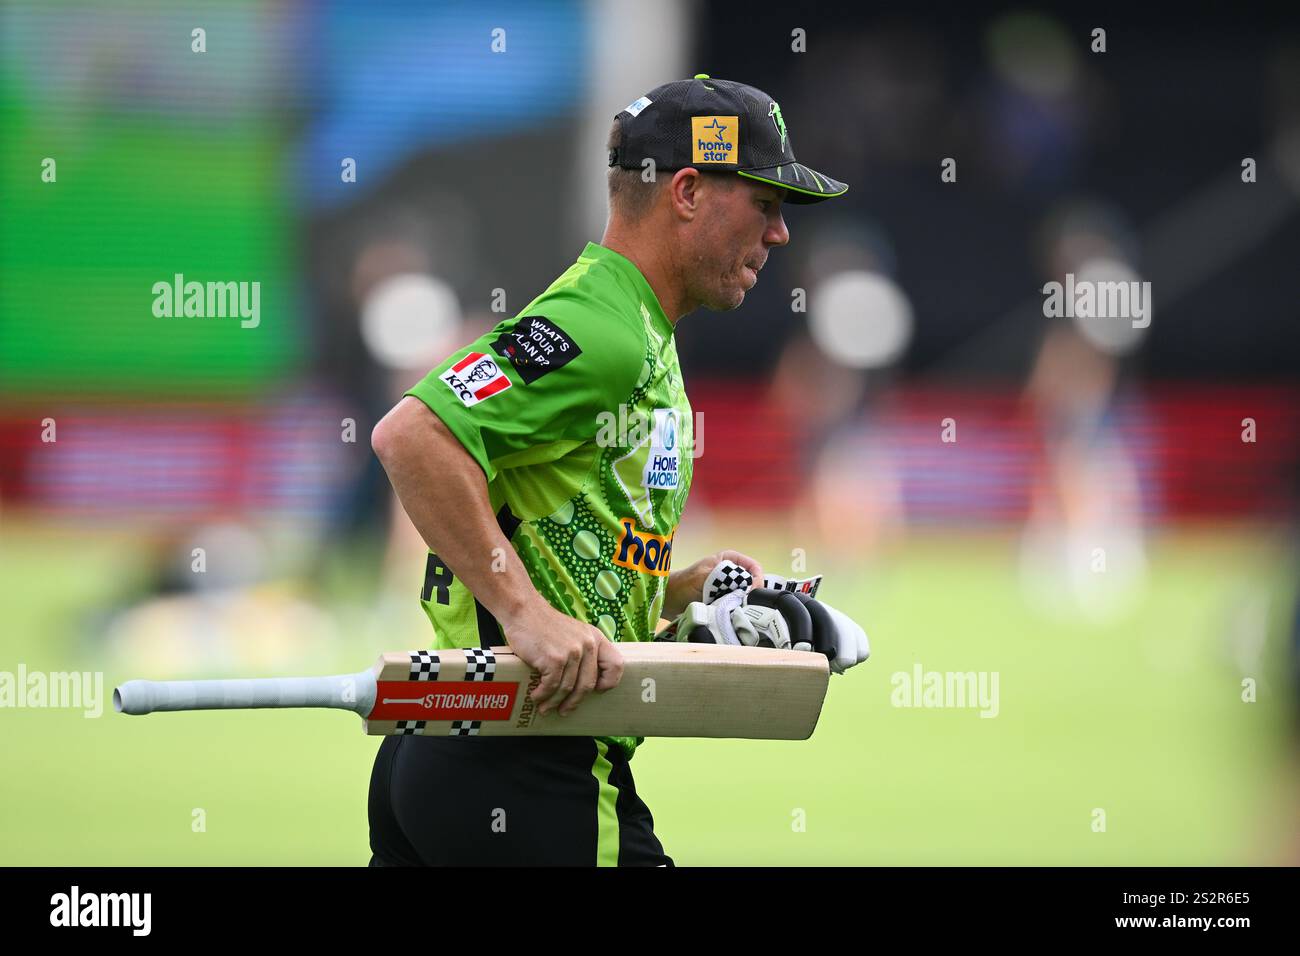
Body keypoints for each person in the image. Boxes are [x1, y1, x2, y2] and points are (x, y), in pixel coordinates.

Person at [367, 75, 851, 866]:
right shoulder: (602, 329)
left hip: (460, 748)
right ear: (688, 191)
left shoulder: (634, 327)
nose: (779, 234)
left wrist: (677, 588)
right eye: (764, 204)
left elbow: (555, 534)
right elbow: (413, 436)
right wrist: (523, 615)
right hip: (526, 756)